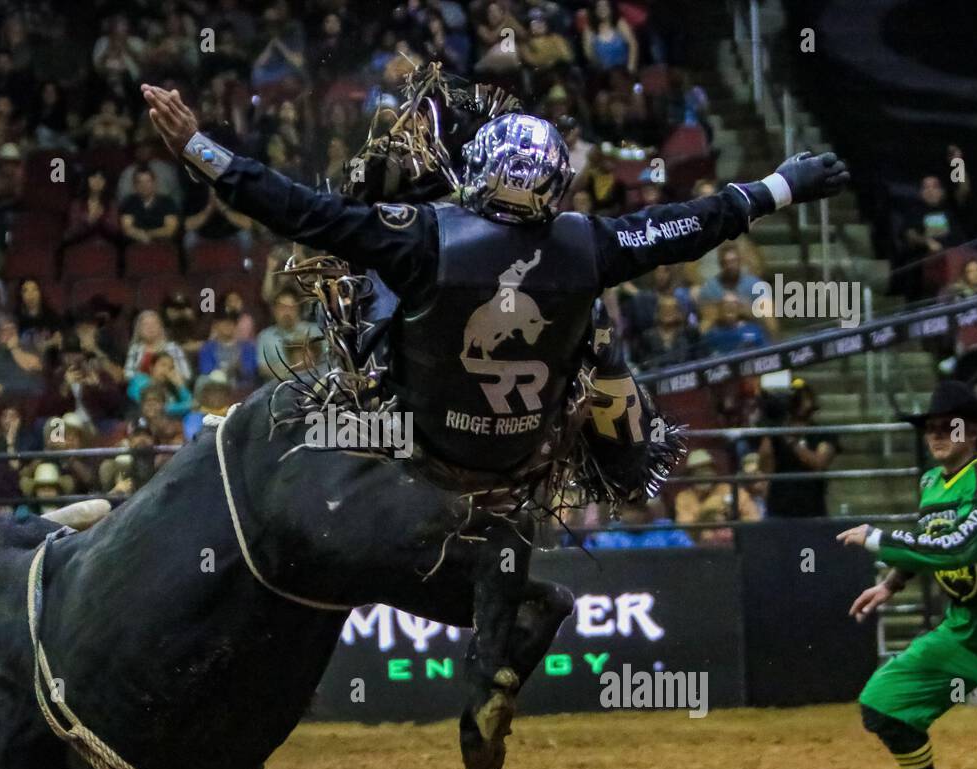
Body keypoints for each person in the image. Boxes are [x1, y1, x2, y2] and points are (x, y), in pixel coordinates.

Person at [142, 84, 848, 477]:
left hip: (416, 429)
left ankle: (283, 418)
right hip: (524, 442)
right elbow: (690, 222)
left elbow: (300, 210)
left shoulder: (421, 236)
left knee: (361, 288)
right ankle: (629, 460)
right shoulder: (592, 244)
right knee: (601, 333)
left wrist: (202, 150)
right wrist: (780, 185)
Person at [838, 380, 977, 769]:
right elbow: (931, 536)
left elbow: (965, 545)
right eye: (930, 428)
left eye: (946, 426)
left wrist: (878, 538)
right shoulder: (932, 482)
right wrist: (891, 583)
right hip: (966, 629)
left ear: (972, 430)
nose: (936, 435)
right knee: (884, 702)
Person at [758, 379, 838, 518]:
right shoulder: (776, 434)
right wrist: (773, 426)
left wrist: (791, 441)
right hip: (779, 507)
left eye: (802, 395)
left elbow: (819, 463)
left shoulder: (823, 433)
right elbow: (764, 466)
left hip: (812, 507)